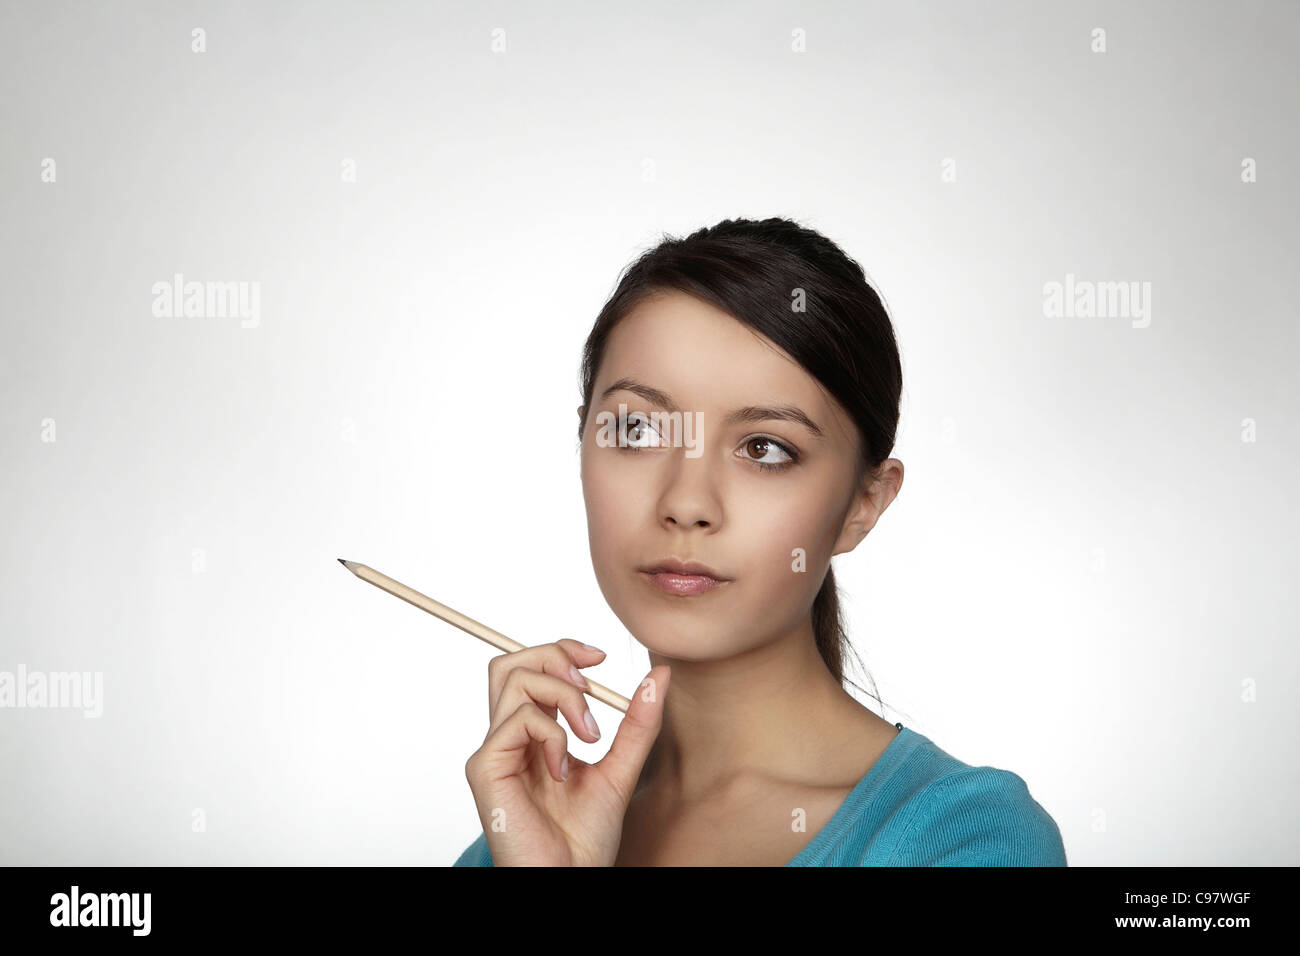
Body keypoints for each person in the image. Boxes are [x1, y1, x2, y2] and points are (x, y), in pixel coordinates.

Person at [454, 217, 1066, 866]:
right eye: (636, 431)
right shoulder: (519, 840)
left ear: (865, 503)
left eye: (764, 448)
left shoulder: (967, 837)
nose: (686, 503)